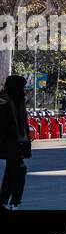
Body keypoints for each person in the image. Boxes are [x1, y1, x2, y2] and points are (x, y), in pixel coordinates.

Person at [0, 75, 32, 211]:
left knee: (12, 171)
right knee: (18, 169)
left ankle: (6, 201)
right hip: (10, 142)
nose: (23, 90)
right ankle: (13, 202)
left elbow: (22, 122)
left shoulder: (18, 100)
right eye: (22, 87)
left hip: (19, 141)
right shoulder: (4, 100)